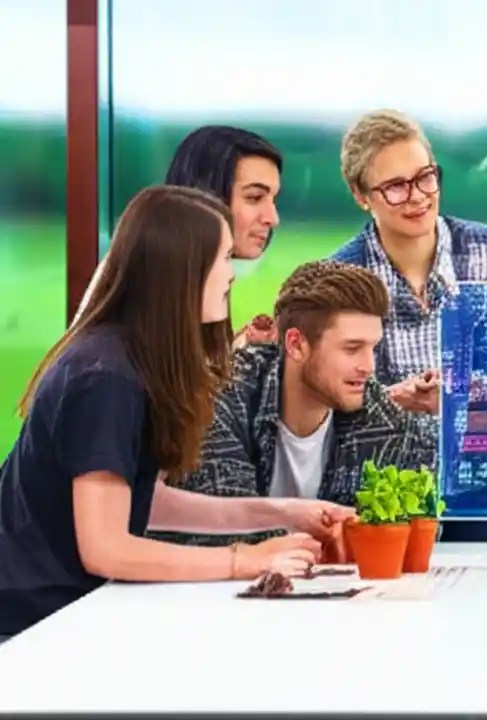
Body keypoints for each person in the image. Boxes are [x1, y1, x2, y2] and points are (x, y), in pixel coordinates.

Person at [0, 186, 347, 642]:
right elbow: (105, 548)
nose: (232, 275)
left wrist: (284, 511)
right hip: (28, 628)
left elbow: (140, 500)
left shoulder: (124, 360)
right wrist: (244, 560)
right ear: (182, 269)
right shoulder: (106, 378)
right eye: (224, 258)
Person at [155, 260, 437, 549]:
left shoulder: (384, 420)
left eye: (373, 348)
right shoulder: (221, 397)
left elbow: (413, 532)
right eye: (352, 348)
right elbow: (224, 534)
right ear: (295, 345)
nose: (368, 366)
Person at [330, 109, 487, 413]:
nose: (417, 196)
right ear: (360, 195)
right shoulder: (337, 280)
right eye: (395, 186)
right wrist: (395, 399)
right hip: (380, 457)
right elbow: (333, 409)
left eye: (425, 177)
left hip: (471, 452)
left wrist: (456, 395)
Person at [78, 125, 285, 346]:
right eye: (254, 198)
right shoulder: (157, 277)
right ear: (207, 194)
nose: (273, 219)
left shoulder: (190, 271)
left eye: (273, 200)